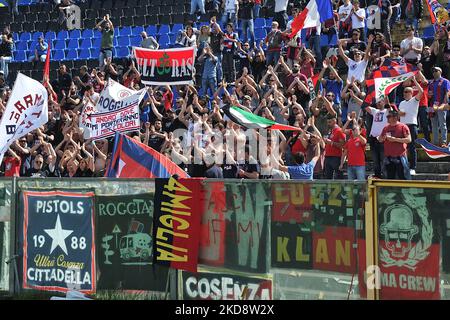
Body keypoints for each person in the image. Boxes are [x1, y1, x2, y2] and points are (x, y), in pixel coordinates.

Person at [398, 76, 423, 175]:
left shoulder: (414, 100)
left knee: (412, 147)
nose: (405, 93)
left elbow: (421, 91)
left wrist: (414, 80)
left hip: (412, 126)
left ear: (411, 93)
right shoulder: (401, 103)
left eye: (407, 91)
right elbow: (399, 113)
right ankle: (405, 166)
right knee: (403, 147)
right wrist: (399, 113)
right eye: (404, 92)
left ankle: (413, 167)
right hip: (403, 126)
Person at [379, 109, 412, 180]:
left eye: (389, 116)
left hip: (400, 156)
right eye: (387, 116)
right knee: (390, 178)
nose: (387, 118)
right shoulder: (385, 128)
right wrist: (382, 138)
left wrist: (395, 139)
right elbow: (380, 139)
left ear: (395, 117)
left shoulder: (403, 126)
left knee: (402, 177)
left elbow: (409, 140)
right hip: (388, 157)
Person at [428, 67, 450, 147]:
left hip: (441, 105)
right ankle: (435, 142)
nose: (434, 72)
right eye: (433, 71)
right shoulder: (431, 83)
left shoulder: (445, 81)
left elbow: (447, 93)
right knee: (434, 125)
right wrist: (429, 96)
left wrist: (444, 104)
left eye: (436, 71)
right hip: (432, 106)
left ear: (440, 71)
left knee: (442, 124)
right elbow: (429, 94)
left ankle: (444, 142)